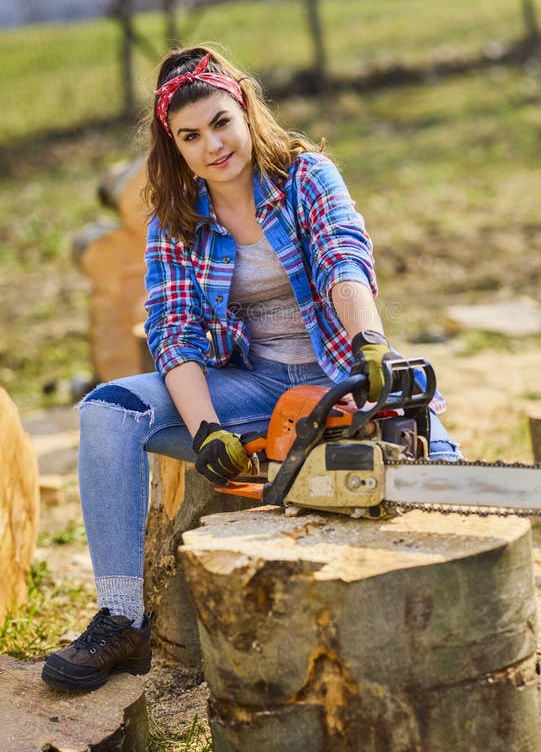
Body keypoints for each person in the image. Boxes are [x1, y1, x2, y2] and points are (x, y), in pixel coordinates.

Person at [41, 45, 460, 692]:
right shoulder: (173, 223)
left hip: (338, 372)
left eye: (220, 123)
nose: (212, 145)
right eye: (190, 136)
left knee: (438, 470)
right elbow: (173, 331)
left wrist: (370, 341)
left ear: (244, 111)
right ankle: (122, 617)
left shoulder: (306, 176)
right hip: (253, 386)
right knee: (107, 410)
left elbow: (343, 257)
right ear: (172, 145)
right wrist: (207, 429)